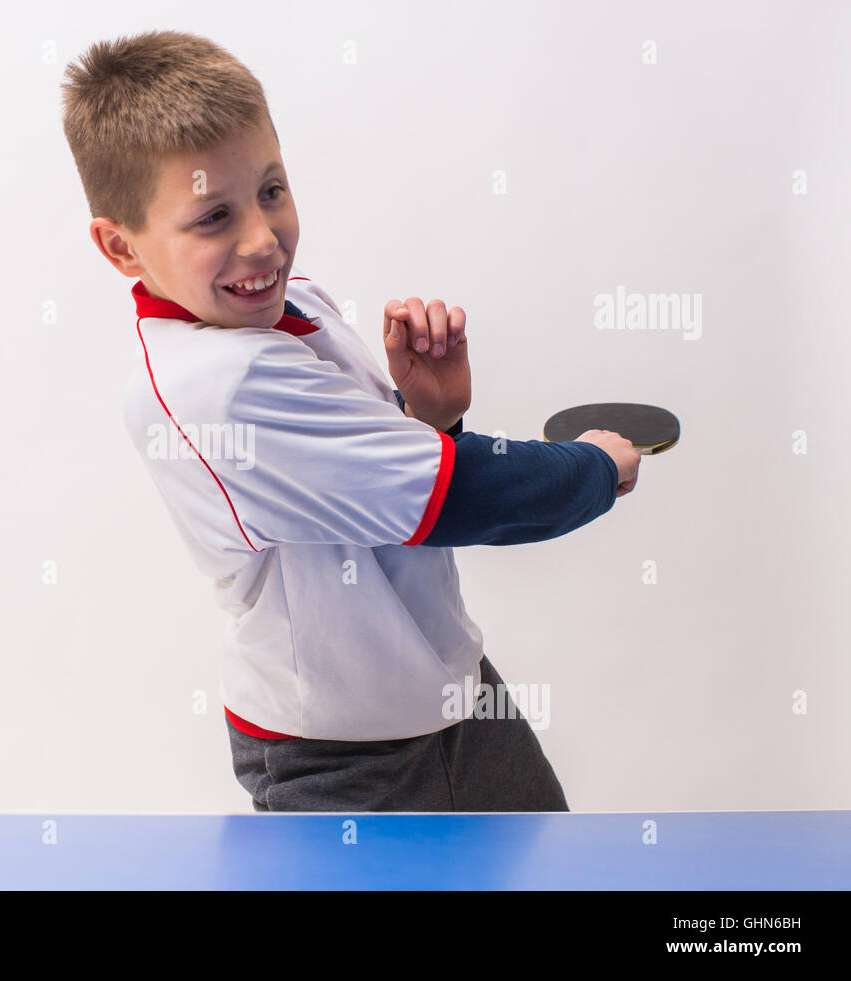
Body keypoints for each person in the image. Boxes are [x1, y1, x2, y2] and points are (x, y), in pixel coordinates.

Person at [59, 30, 641, 812]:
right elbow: (457, 496)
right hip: (340, 760)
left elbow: (366, 486)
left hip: (458, 698)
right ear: (120, 247)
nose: (262, 240)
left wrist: (430, 413)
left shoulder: (292, 308)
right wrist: (596, 468)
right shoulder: (218, 388)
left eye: (271, 190)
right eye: (213, 217)